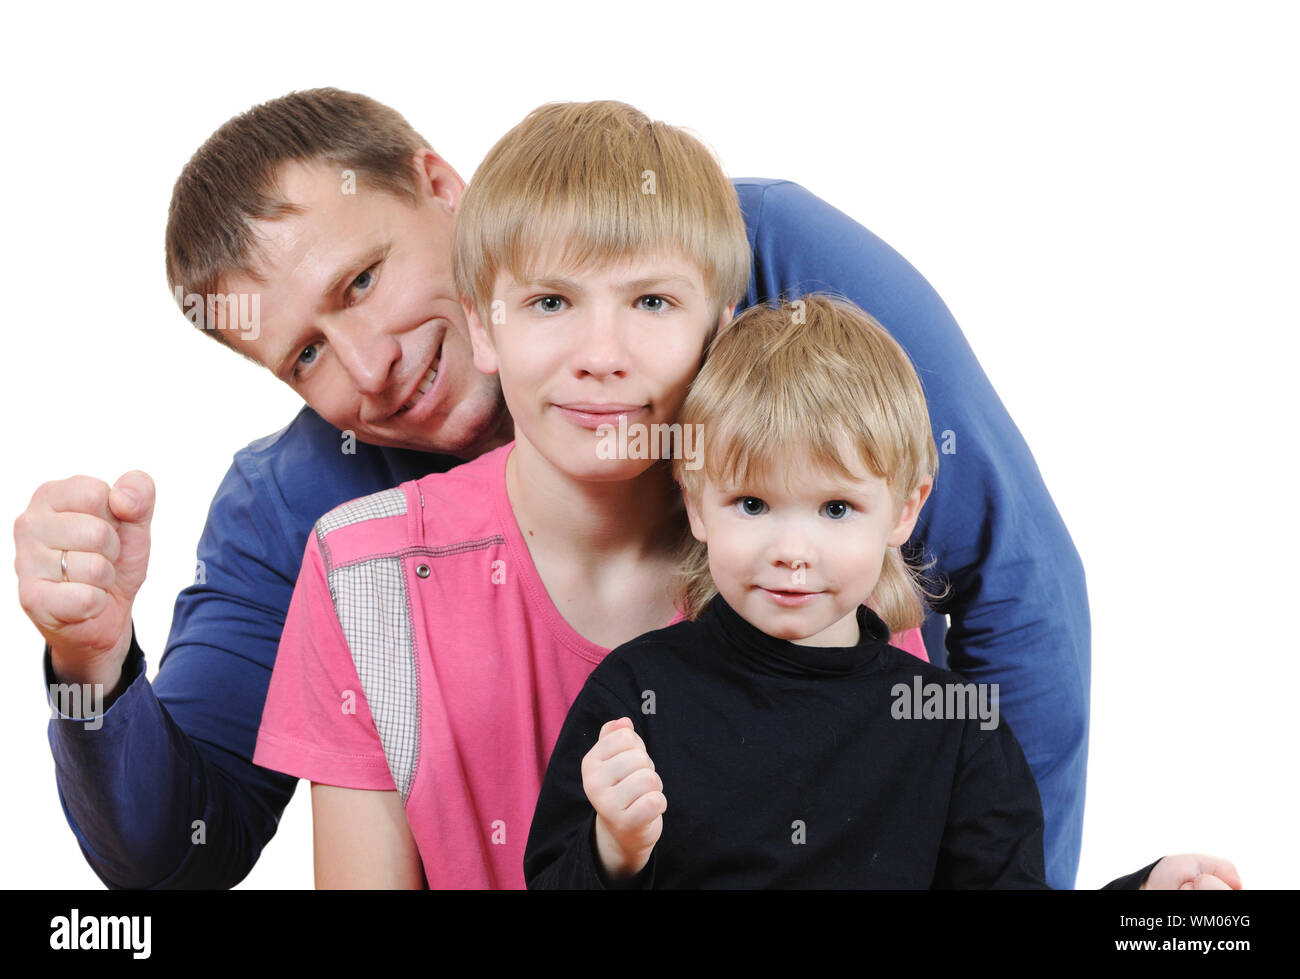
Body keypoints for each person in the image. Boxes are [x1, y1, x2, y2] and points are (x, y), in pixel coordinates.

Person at [16, 88, 1089, 888]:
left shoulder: (772, 262)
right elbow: (171, 853)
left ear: (442, 188)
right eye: (304, 354)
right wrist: (86, 665)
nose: (370, 363)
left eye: (363, 280)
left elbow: (1009, 580)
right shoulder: (309, 522)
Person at [253, 101, 929, 888]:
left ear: (720, 330)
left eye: (651, 302)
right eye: (549, 302)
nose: (600, 356)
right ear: (481, 326)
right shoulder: (361, 572)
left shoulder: (816, 554)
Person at [524, 296, 1240, 890]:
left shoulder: (958, 732)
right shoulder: (636, 694)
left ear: (904, 508)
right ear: (697, 502)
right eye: (751, 502)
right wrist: (613, 849)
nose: (793, 552)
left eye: (836, 509)